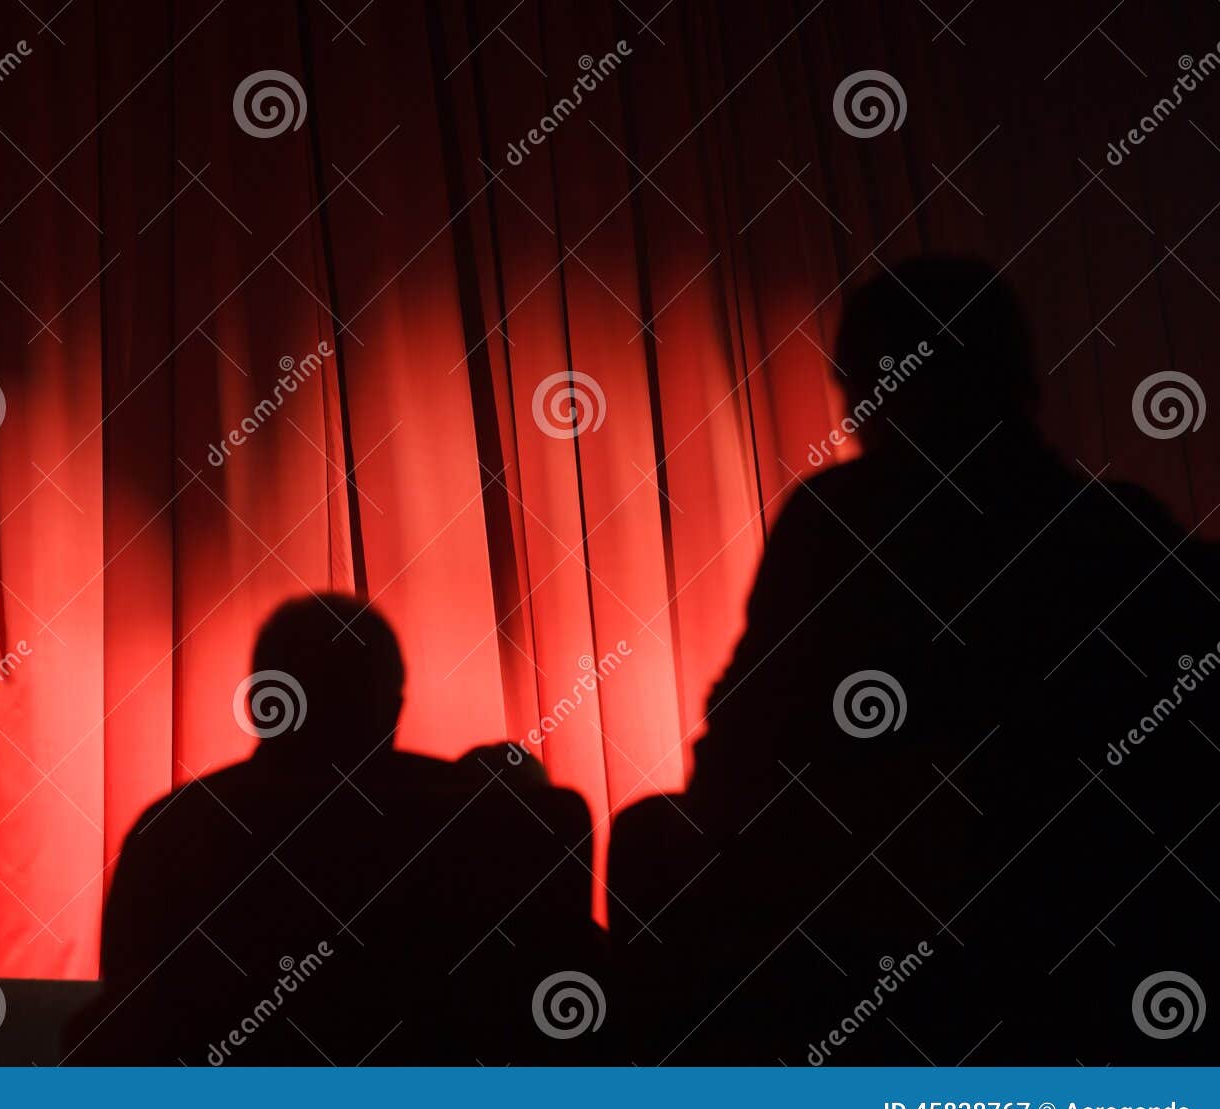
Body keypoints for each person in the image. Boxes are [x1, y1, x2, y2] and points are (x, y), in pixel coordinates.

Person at [610, 256, 1220, 1063]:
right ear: (1021, 381)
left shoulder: (839, 522)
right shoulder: (1122, 528)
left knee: (653, 845)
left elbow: (746, 733)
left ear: (880, 387)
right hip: (1098, 928)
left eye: (857, 385)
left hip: (887, 931)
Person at [67, 594, 599, 1064]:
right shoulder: (494, 828)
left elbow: (129, 1017)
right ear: (393, 708)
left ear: (260, 703)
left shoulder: (174, 830)